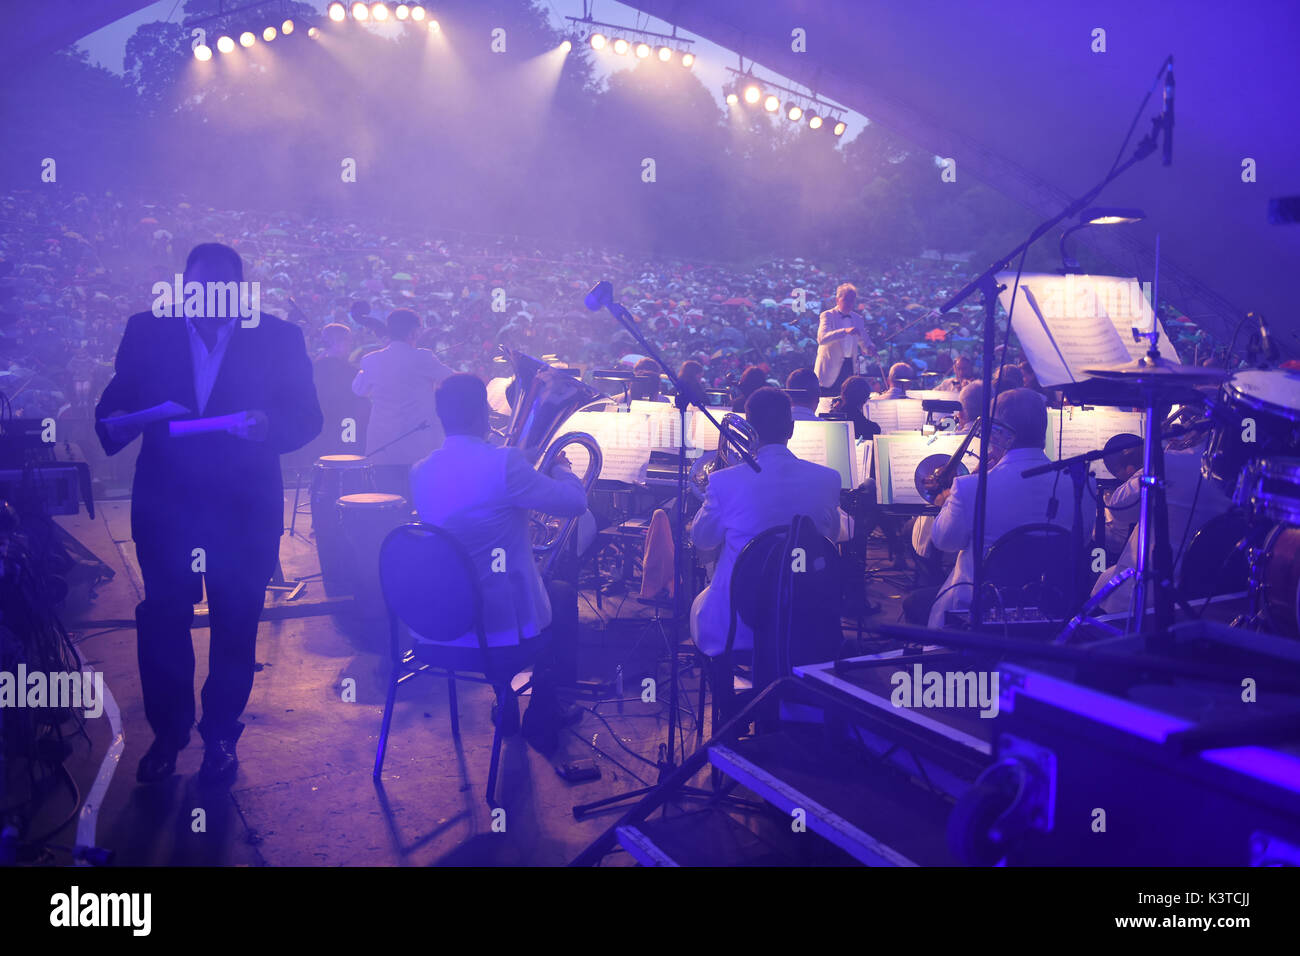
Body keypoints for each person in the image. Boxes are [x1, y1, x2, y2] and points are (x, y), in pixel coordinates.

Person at [95, 243, 323, 785]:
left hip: (244, 508)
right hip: (166, 504)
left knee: (237, 620)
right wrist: (120, 420)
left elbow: (308, 417)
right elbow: (113, 406)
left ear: (240, 291)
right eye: (198, 287)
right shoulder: (147, 330)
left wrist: (270, 424)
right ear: (183, 287)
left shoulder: (278, 336)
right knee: (163, 620)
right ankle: (168, 736)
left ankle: (221, 733)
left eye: (223, 287)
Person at [409, 373, 587, 753]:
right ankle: (543, 714)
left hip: (441, 624)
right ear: (484, 415)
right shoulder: (505, 464)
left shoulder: (420, 469)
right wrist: (560, 467)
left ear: (442, 416)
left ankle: (505, 699)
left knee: (488, 580)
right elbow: (575, 504)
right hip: (498, 631)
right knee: (562, 594)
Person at [912, 389, 1093, 628]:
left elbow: (944, 541)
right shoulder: (1083, 484)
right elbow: (1080, 541)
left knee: (914, 603)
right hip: (1053, 609)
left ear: (997, 434)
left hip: (978, 611)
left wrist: (954, 495)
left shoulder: (970, 488)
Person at [689, 387, 842, 657]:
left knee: (700, 602)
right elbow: (829, 537)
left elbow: (702, 539)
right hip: (804, 616)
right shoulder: (828, 479)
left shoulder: (724, 481)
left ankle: (727, 691)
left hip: (737, 624)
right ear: (792, 429)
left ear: (750, 429)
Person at [352, 309, 453, 495]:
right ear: (413, 332)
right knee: (420, 500)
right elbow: (454, 380)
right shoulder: (423, 357)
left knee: (387, 500)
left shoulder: (370, 359)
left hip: (383, 445)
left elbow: (359, 390)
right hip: (419, 446)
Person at [310, 322, 368, 458]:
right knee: (349, 456)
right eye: (347, 340)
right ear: (336, 342)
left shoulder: (316, 366)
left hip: (324, 426)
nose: (350, 344)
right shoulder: (347, 370)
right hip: (347, 423)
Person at [815, 282, 872, 396]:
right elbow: (822, 339)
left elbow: (865, 341)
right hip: (829, 368)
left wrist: (871, 348)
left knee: (846, 402)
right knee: (826, 402)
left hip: (849, 367)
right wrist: (845, 331)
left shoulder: (858, 318)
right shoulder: (827, 315)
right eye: (846, 299)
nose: (850, 303)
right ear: (837, 300)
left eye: (852, 300)